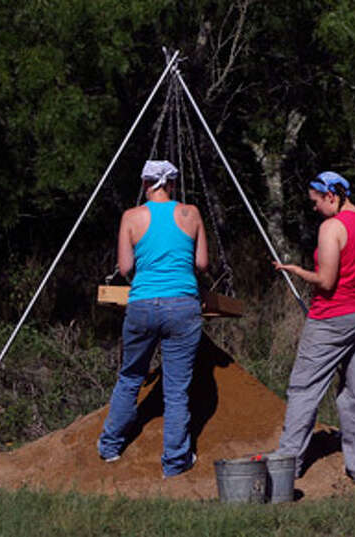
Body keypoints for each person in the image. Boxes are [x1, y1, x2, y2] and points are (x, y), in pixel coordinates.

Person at [273, 171, 355, 487]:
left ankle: (287, 466)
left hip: (334, 316)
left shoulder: (332, 227)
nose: (315, 209)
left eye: (316, 202)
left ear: (331, 196)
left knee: (305, 389)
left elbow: (327, 281)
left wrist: (296, 271)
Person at [98, 160, 208, 477]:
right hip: (183, 305)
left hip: (143, 304)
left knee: (131, 376)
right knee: (176, 389)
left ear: (146, 184)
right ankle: (175, 462)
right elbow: (201, 263)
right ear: (171, 184)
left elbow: (124, 267)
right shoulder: (191, 214)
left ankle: (109, 448)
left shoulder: (131, 217)